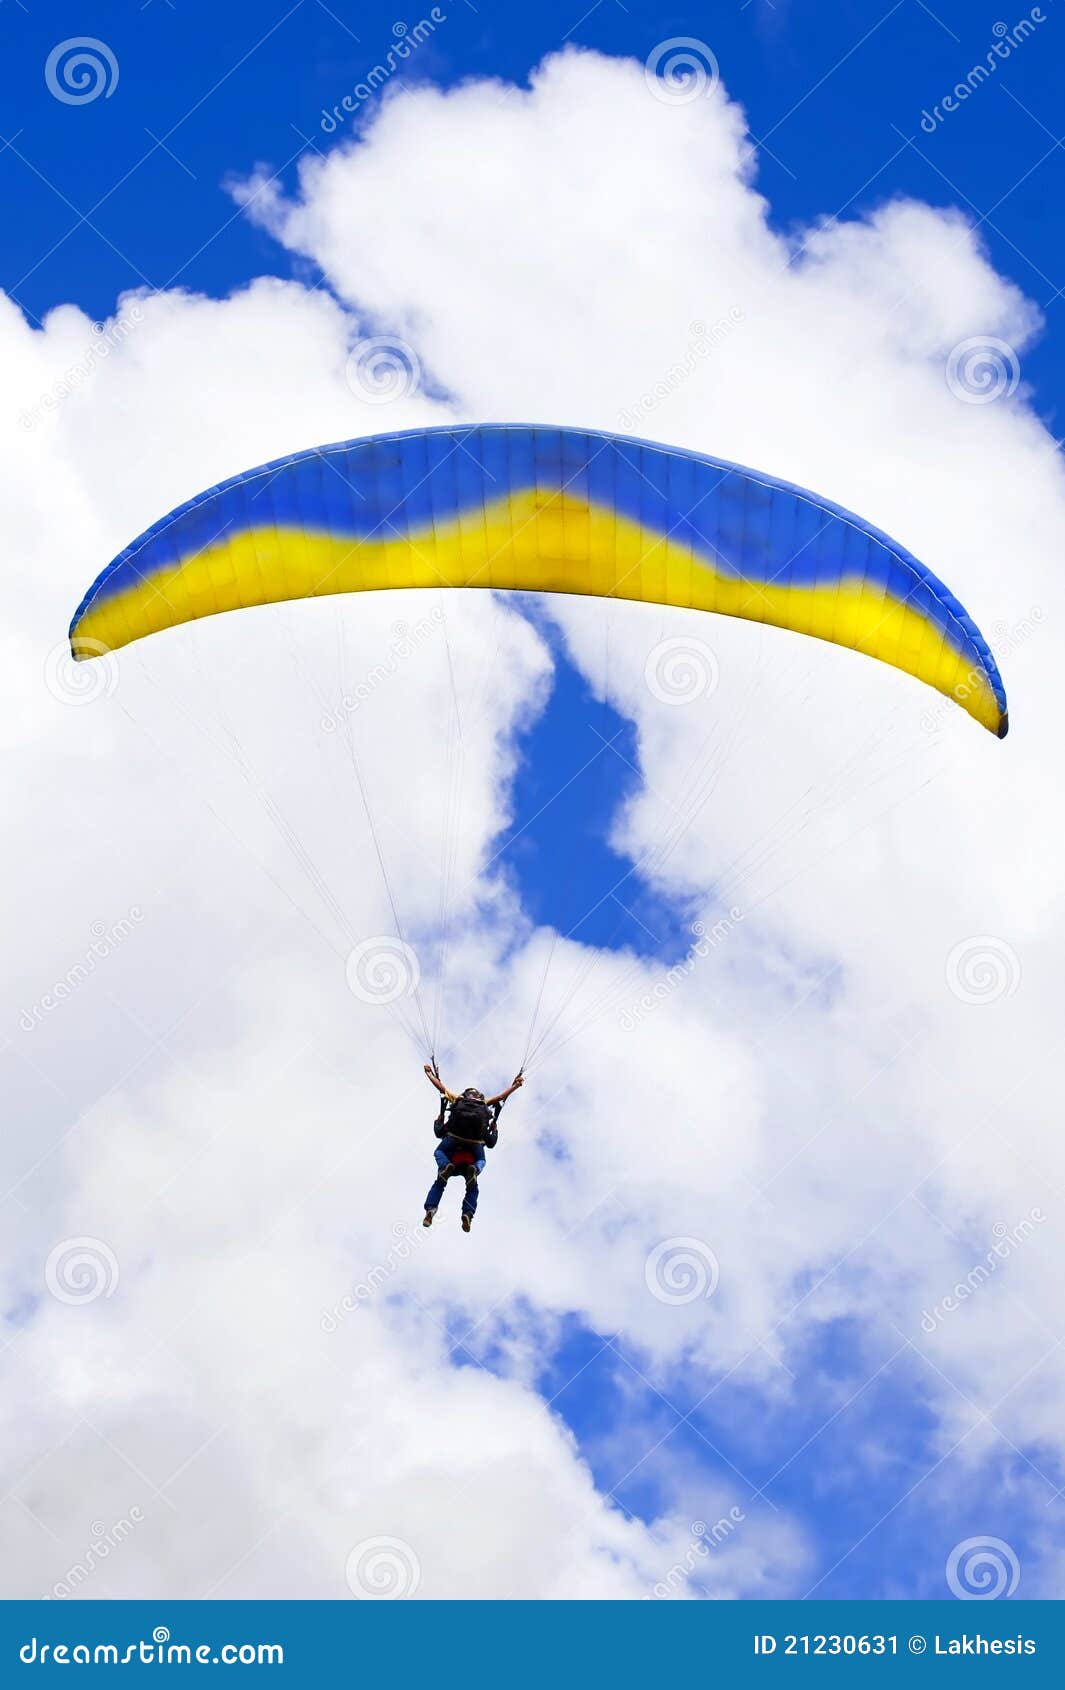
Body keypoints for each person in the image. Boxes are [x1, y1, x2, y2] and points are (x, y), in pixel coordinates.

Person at [422, 1065, 524, 1232]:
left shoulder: (458, 1100)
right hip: (475, 1146)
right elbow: (501, 1097)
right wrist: (516, 1086)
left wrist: (428, 1074)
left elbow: (440, 1088)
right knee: (478, 1171)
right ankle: (468, 1210)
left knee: (439, 1164)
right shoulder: (483, 1103)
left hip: (453, 1144)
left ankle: (432, 1206)